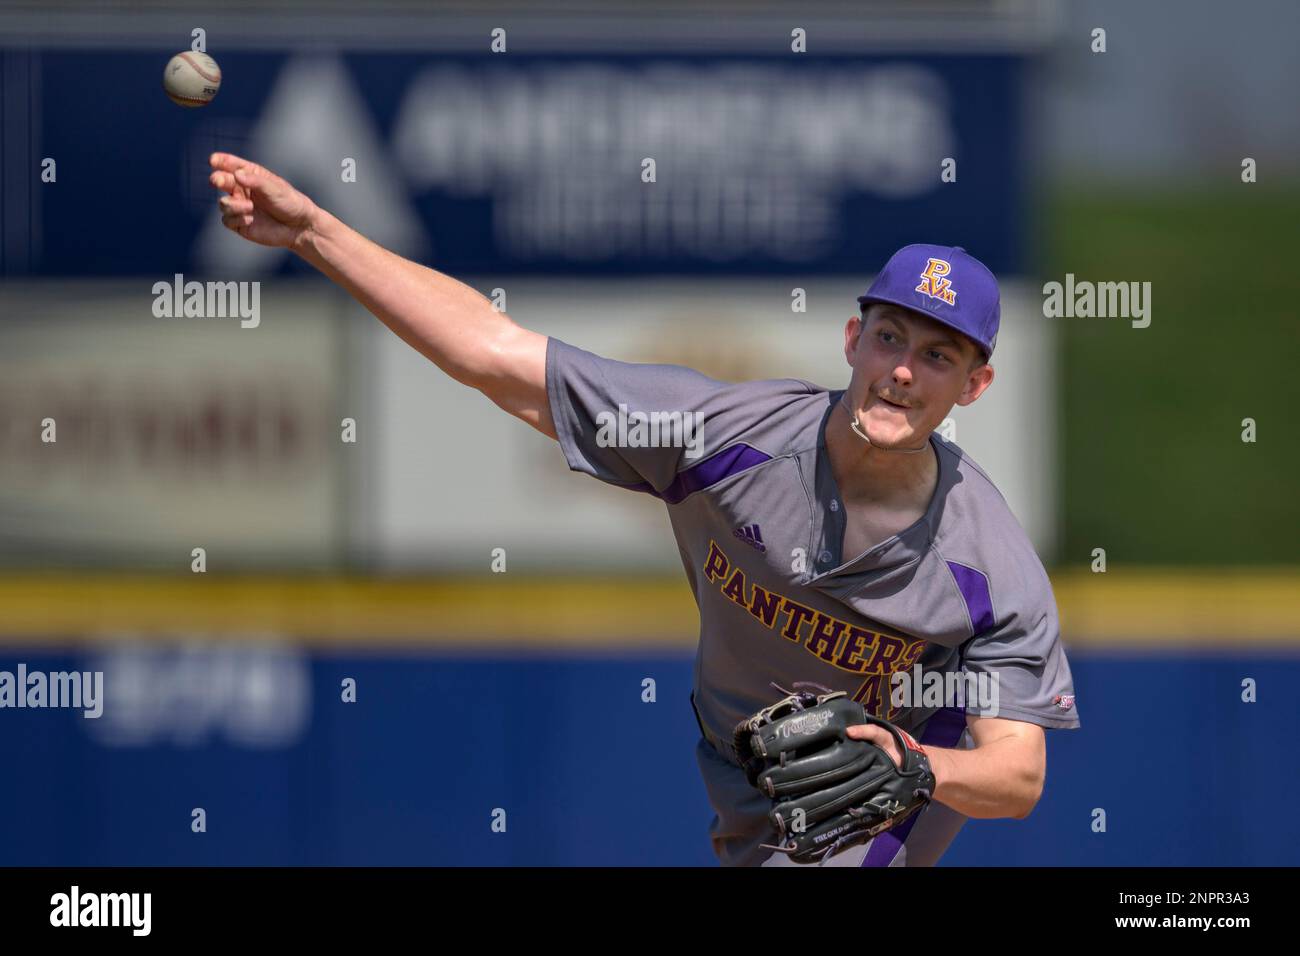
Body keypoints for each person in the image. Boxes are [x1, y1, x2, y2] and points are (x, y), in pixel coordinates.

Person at [209, 153, 1081, 867]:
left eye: (937, 355)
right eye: (890, 336)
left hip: (875, 794)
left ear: (975, 384)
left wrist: (911, 762)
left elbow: (1017, 775)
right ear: (852, 340)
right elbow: (494, 354)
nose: (901, 369)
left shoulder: (987, 561)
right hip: (737, 764)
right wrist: (316, 234)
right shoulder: (721, 440)